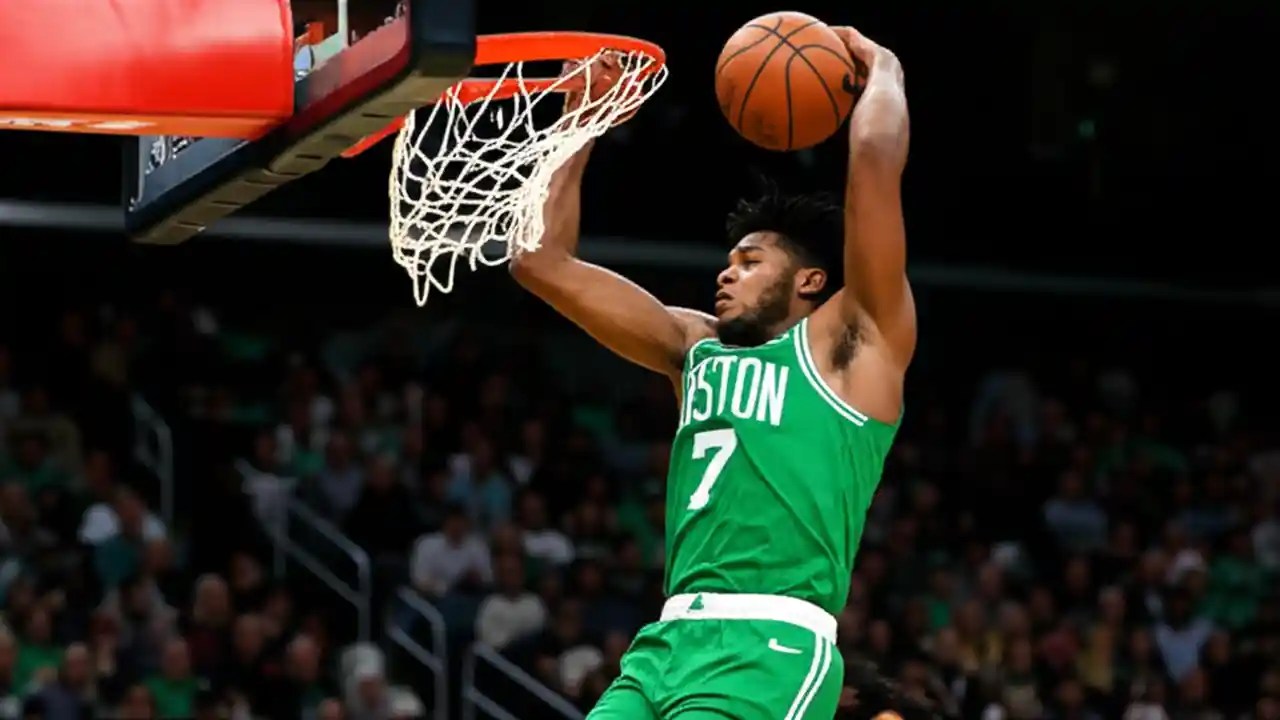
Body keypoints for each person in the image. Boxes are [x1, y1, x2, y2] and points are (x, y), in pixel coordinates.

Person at [512, 27, 928, 720]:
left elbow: (875, 159)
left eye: (749, 261)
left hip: (770, 647)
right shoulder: (692, 347)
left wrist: (885, 66)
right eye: (728, 261)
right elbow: (538, 261)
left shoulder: (858, 345)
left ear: (810, 281)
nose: (724, 273)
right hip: (666, 642)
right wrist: (580, 122)